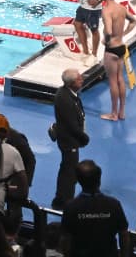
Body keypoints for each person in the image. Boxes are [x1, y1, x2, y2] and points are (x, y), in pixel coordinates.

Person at [59, 160, 125, 257]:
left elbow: (65, 239)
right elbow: (124, 235)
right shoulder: (114, 204)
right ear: (99, 180)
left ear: (78, 180)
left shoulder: (71, 207)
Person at [51, 68, 91, 205]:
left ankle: (60, 197)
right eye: (79, 79)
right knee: (69, 171)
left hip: (71, 139)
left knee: (67, 169)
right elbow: (71, 125)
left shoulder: (69, 94)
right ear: (71, 83)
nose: (82, 80)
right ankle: (65, 200)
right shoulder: (65, 99)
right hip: (69, 141)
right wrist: (84, 138)